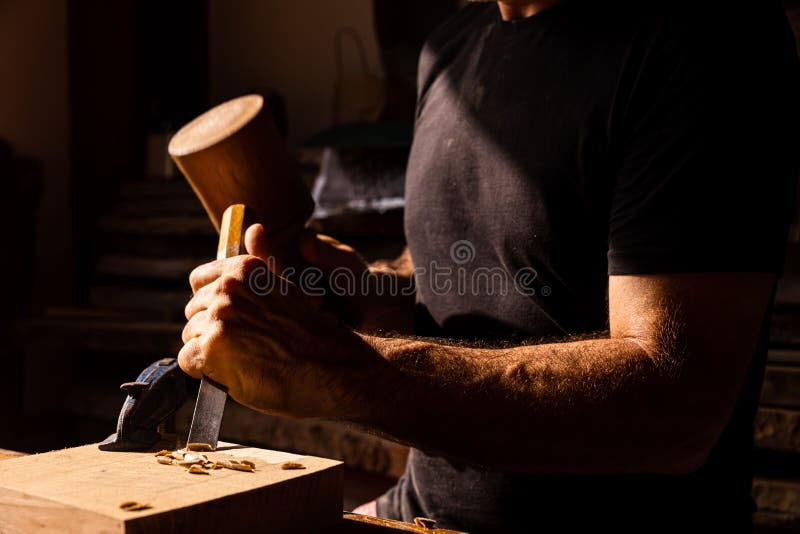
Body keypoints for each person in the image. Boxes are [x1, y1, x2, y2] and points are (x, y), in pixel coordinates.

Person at [179, 0, 800, 531]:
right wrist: (365, 295)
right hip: (421, 513)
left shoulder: (708, 36)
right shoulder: (454, 46)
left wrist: (337, 369)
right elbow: (467, 280)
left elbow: (677, 403)